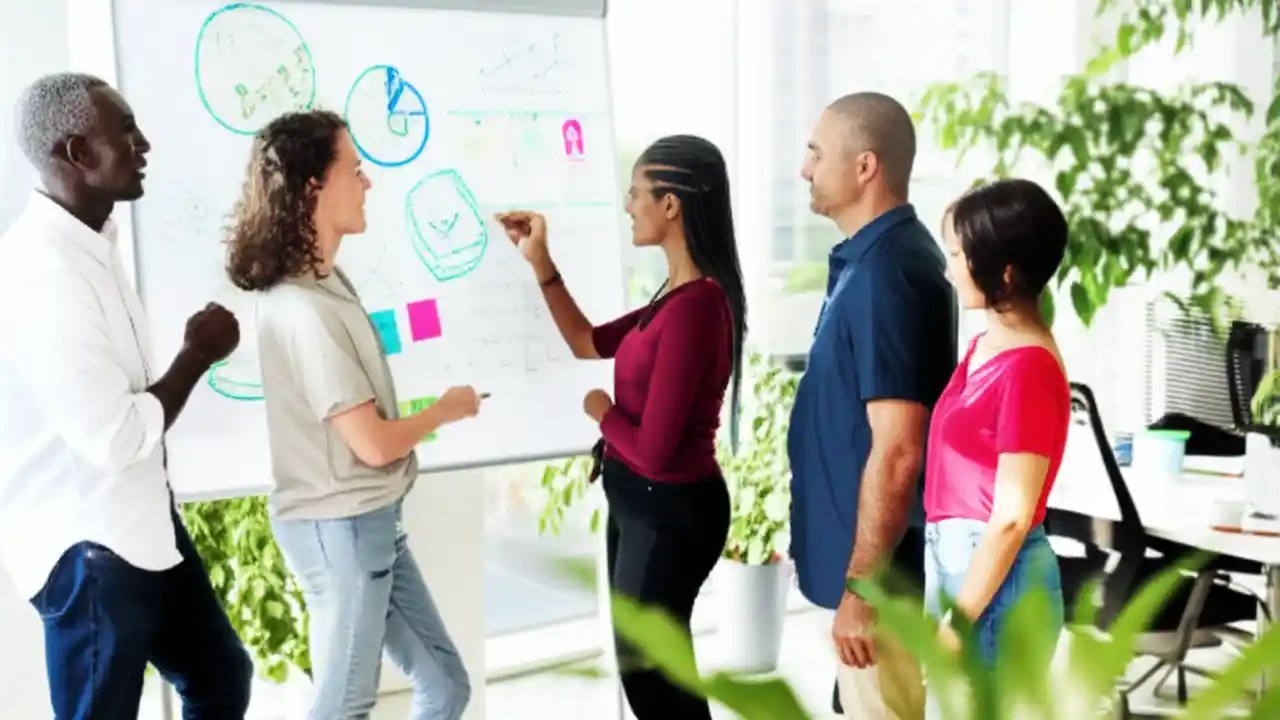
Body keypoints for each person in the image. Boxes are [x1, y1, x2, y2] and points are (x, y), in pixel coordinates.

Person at [0, 72, 252, 718]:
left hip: (139, 524)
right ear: (78, 154)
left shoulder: (93, 247)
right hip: (91, 549)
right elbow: (115, 434)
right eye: (126, 132)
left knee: (222, 679)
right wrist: (196, 356)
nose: (144, 144)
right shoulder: (45, 276)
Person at [225, 109, 478, 720]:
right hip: (340, 528)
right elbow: (371, 443)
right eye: (356, 171)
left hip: (370, 522)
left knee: (446, 688)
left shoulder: (328, 283)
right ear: (315, 186)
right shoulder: (302, 309)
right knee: (343, 708)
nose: (368, 184)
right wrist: (444, 410)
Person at [496, 134, 746, 720]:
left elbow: (656, 452)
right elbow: (588, 341)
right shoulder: (674, 296)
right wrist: (541, 262)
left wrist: (602, 412)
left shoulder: (695, 309)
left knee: (655, 685)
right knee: (652, 679)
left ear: (670, 205)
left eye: (635, 194)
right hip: (642, 504)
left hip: (669, 510)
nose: (628, 205)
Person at [789, 91, 957, 719]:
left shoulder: (892, 273)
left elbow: (899, 449)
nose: (804, 169)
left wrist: (861, 588)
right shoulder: (869, 261)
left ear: (865, 166)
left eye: (815, 153)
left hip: (882, 585)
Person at [923, 178, 1070, 716]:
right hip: (964, 568)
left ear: (1005, 273)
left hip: (996, 584)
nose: (948, 268)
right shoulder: (987, 344)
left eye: (959, 255)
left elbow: (1011, 516)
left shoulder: (1028, 367)